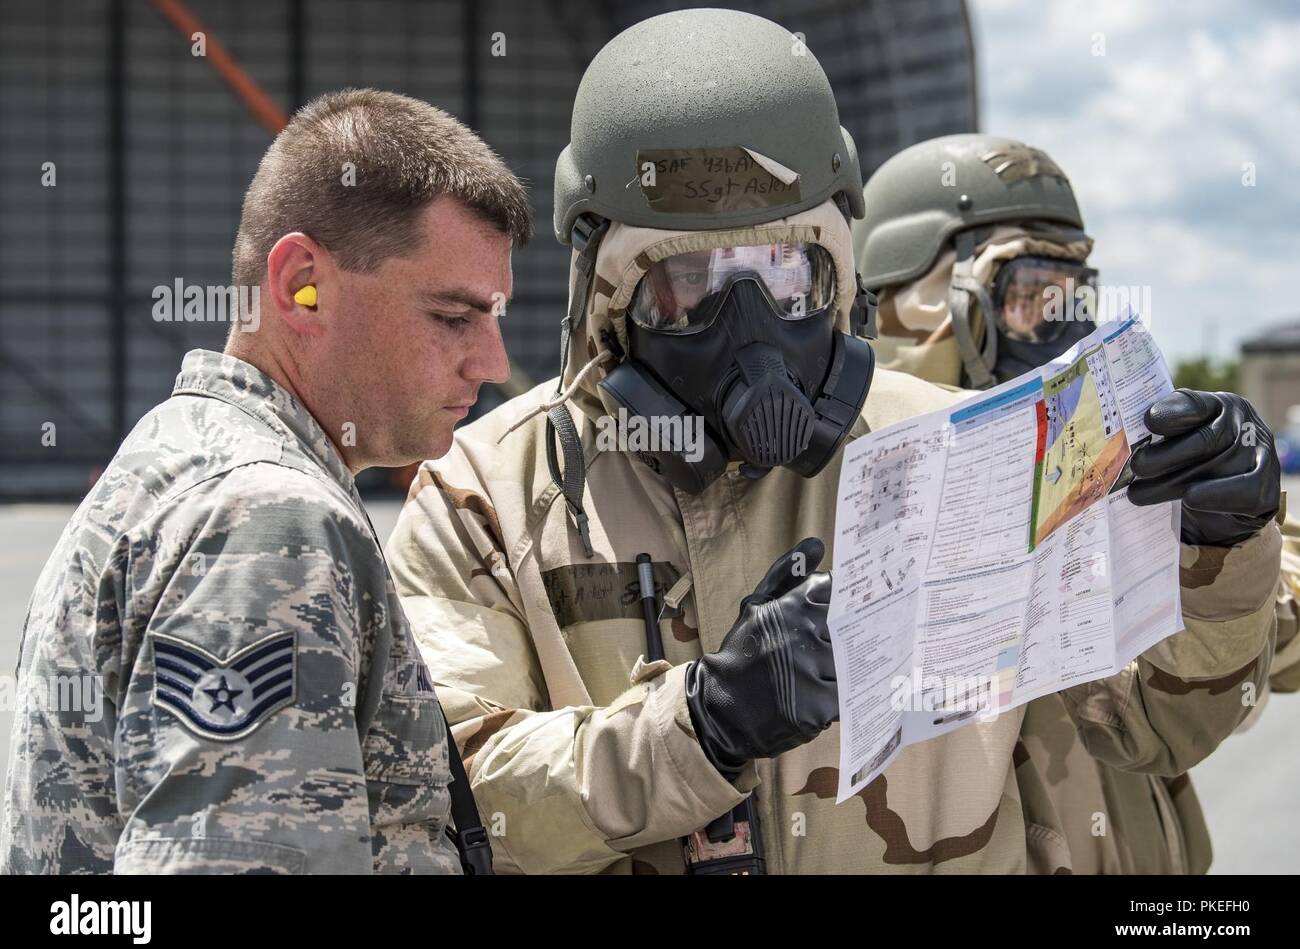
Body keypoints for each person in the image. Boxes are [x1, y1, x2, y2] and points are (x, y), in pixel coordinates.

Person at [386, 10, 1283, 874]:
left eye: (786, 274)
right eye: (689, 282)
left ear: (841, 278)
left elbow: (1154, 728)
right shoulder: (487, 496)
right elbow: (445, 800)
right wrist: (701, 726)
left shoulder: (967, 454)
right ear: (611, 298)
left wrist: (1220, 553)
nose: (750, 327)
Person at [1, 88, 531, 874]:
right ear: (300, 285)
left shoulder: (179, 458)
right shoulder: (268, 516)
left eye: (495, 319)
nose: (490, 363)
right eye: (454, 318)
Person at [852, 133, 1300, 872]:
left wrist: (1226, 537)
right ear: (917, 313)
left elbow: (1206, 691)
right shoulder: (863, 534)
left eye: (1072, 296)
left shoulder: (1097, 495)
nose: (1061, 330)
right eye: (1026, 296)